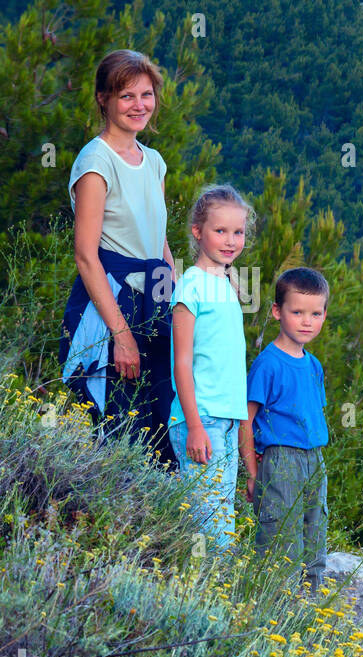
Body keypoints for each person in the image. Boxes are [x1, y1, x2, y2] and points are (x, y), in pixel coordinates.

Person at [60, 49, 178, 469]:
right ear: (103, 99)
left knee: (159, 428)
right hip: (112, 306)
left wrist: (178, 306)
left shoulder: (155, 162)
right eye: (126, 95)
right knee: (116, 433)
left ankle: (159, 532)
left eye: (146, 95)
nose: (139, 105)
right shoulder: (96, 162)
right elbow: (87, 257)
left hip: (154, 303)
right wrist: (122, 335)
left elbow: (159, 245)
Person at [169, 185, 254, 546]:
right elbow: (181, 362)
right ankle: (205, 595)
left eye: (238, 232)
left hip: (227, 421)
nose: (231, 240)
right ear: (197, 232)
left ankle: (203, 591)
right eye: (220, 231)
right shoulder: (191, 287)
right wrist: (194, 425)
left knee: (220, 519)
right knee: (213, 530)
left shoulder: (228, 284)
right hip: (201, 418)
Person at [240, 268, 330, 590]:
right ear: (278, 311)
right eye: (297, 312)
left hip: (314, 459)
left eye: (315, 313)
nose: (307, 321)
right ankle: (275, 603)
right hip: (280, 459)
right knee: (279, 535)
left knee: (315, 528)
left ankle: (312, 602)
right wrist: (252, 473)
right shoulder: (268, 363)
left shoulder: (314, 365)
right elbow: (245, 421)